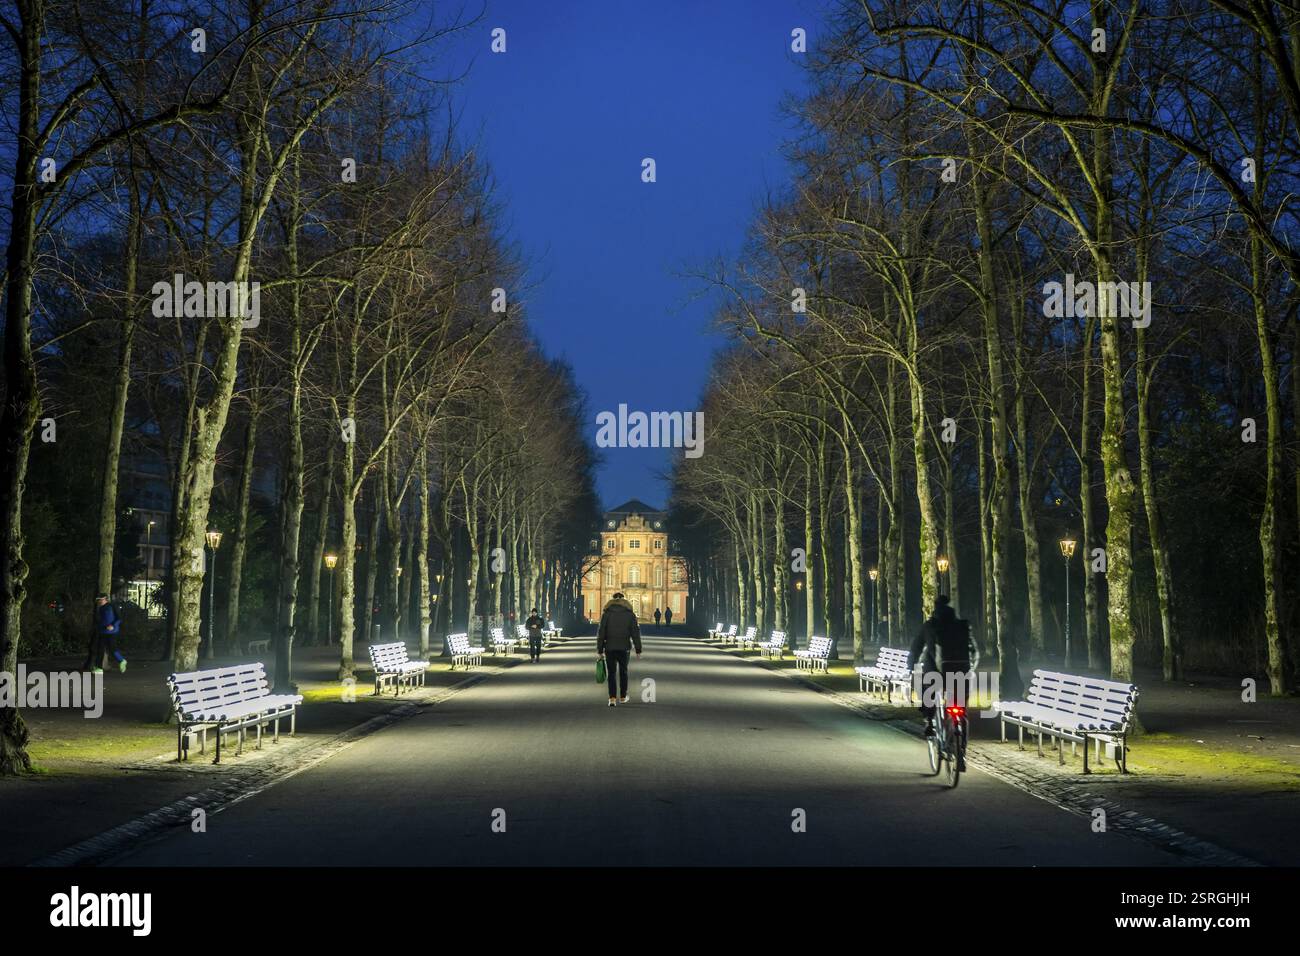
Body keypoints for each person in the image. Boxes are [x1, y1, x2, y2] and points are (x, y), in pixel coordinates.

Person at [907, 594, 978, 737]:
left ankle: (929, 721)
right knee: (960, 698)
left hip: (937, 672)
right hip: (962, 670)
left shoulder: (929, 626)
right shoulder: (962, 625)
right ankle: (961, 726)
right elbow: (973, 649)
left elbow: (916, 648)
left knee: (927, 687)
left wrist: (911, 666)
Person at [597, 592, 642, 707]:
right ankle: (622, 697)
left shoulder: (606, 614)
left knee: (611, 673)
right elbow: (635, 633)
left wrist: (600, 649)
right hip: (624, 647)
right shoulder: (630, 614)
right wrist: (638, 649)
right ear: (624, 600)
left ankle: (612, 698)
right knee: (623, 672)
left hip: (610, 647)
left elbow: (601, 632)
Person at [86, 593, 128, 674]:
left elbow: (119, 618)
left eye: (101, 599)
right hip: (102, 632)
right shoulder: (100, 608)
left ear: (106, 599)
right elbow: (100, 620)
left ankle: (122, 660)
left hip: (112, 632)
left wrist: (113, 625)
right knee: (100, 649)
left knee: (112, 649)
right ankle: (99, 668)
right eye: (98, 600)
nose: (99, 601)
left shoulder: (112, 606)